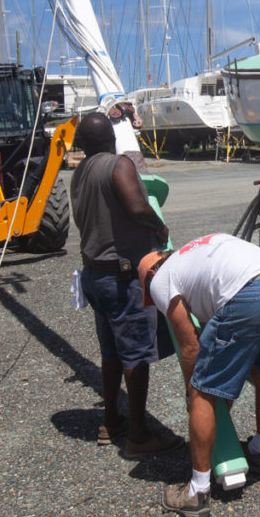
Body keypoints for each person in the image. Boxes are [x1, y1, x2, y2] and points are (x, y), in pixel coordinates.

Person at [137, 234, 260, 517]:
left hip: (247, 292)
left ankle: (197, 492)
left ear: (151, 274)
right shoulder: (194, 253)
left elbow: (190, 346)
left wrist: (196, 390)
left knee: (201, 390)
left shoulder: (161, 278)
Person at [70, 112, 182, 458]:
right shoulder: (118, 165)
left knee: (111, 354)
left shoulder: (79, 174)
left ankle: (110, 422)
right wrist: (158, 227)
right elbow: (136, 206)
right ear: (112, 140)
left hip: (95, 276)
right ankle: (138, 434)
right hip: (122, 276)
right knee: (135, 356)